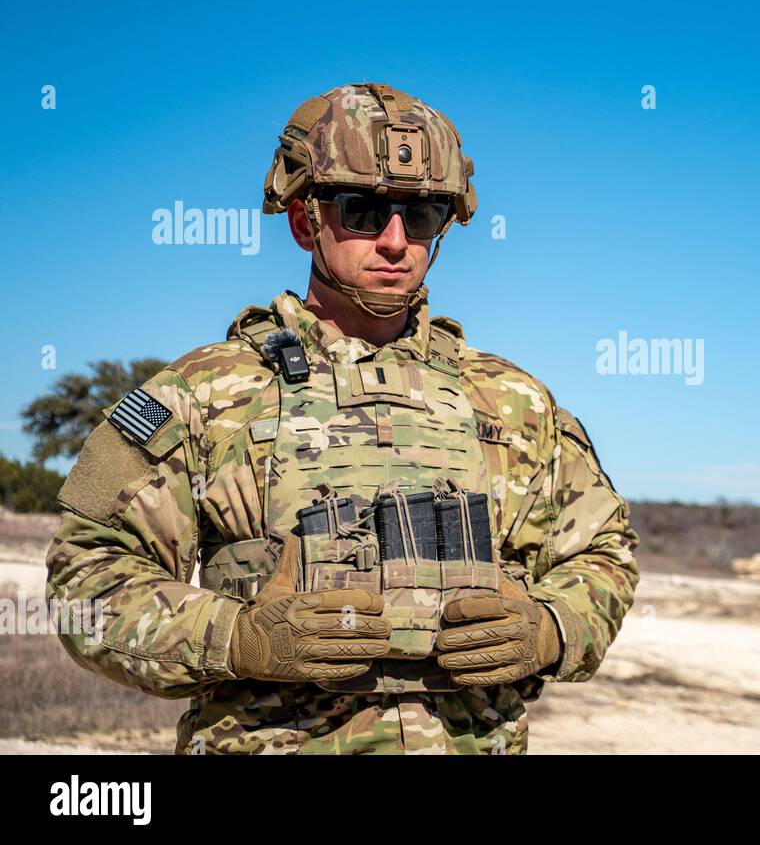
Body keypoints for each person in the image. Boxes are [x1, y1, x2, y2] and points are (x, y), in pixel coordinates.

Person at [45, 82, 640, 755]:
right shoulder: (200, 393)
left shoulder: (513, 403)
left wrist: (553, 628)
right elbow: (85, 580)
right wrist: (235, 639)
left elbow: (603, 553)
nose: (395, 242)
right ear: (305, 221)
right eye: (362, 211)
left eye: (422, 219)